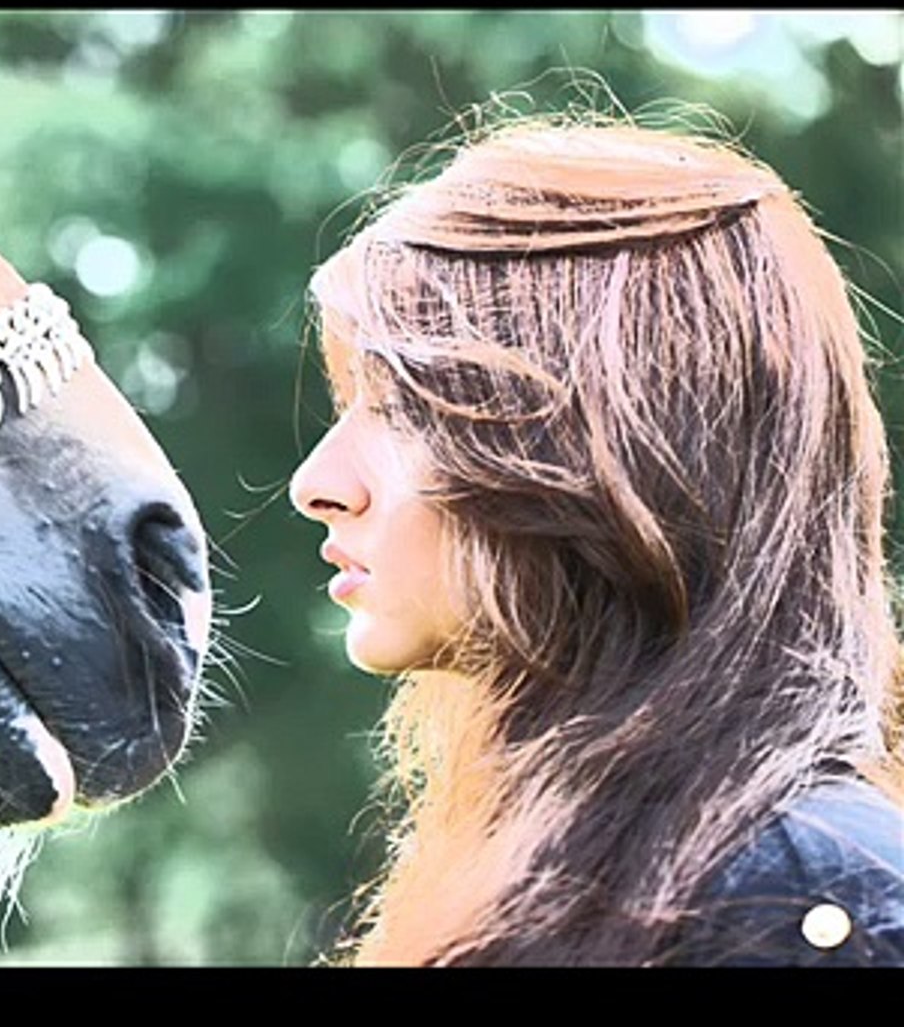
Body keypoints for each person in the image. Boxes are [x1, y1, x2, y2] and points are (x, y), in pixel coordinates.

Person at [288, 114, 904, 966]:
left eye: (401, 409)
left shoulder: (805, 907)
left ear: (611, 445)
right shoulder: (590, 859)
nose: (318, 484)